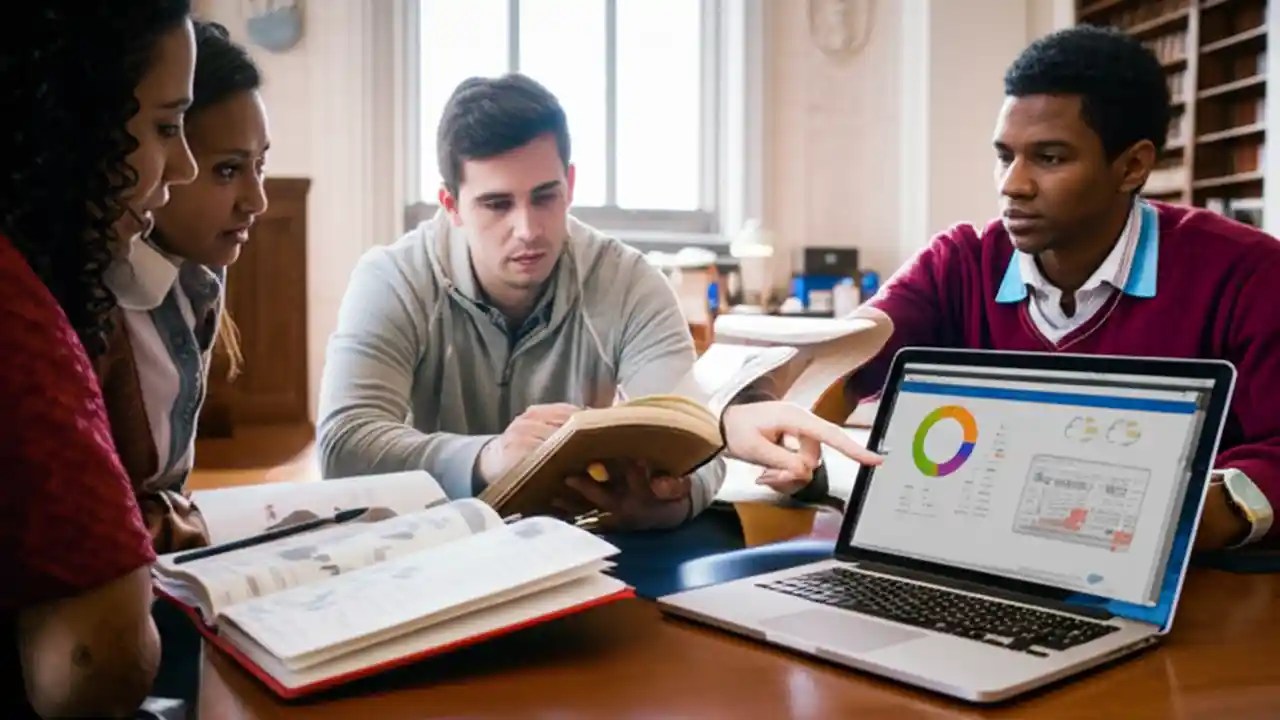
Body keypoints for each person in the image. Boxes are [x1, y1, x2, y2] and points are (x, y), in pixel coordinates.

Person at [728, 25, 1280, 552]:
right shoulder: (960, 262)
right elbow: (852, 347)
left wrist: (1184, 517)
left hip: (1194, 589)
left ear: (1132, 165)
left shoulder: (1248, 272)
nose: (1012, 185)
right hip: (978, 562)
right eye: (1004, 155)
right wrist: (777, 404)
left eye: (1049, 157)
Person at [318, 73, 722, 531]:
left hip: (579, 548)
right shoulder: (392, 279)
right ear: (451, 206)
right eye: (497, 204)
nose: (528, 229)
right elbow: (343, 446)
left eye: (545, 196)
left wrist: (666, 504)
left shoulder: (629, 282)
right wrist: (489, 458)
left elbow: (701, 440)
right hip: (431, 546)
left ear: (569, 184)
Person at [0, 3, 198, 717]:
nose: (184, 165)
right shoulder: (16, 314)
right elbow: (93, 665)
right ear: (73, 119)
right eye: (165, 127)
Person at [97, 19, 270, 553]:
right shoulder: (91, 299)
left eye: (260, 166)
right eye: (226, 171)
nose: (257, 201)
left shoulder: (199, 274)